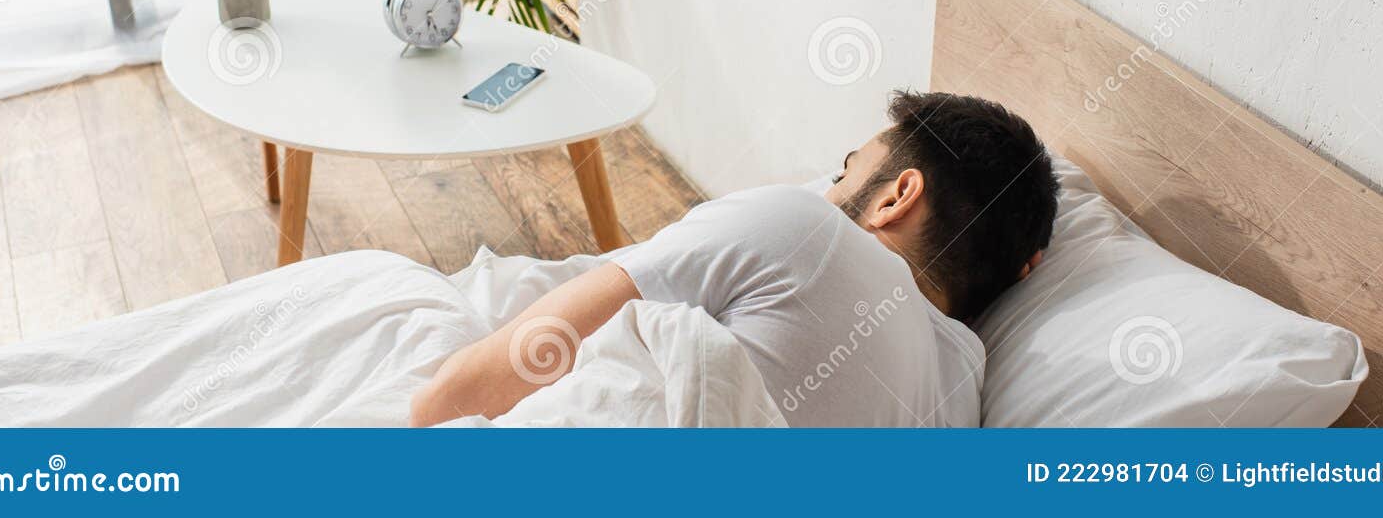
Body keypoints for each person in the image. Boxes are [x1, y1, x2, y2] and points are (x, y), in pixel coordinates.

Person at [409, 91, 1060, 427]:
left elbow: (534, 348)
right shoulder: (962, 391)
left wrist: (418, 417)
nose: (829, 189)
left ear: (897, 195)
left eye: (846, 171)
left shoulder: (807, 228)